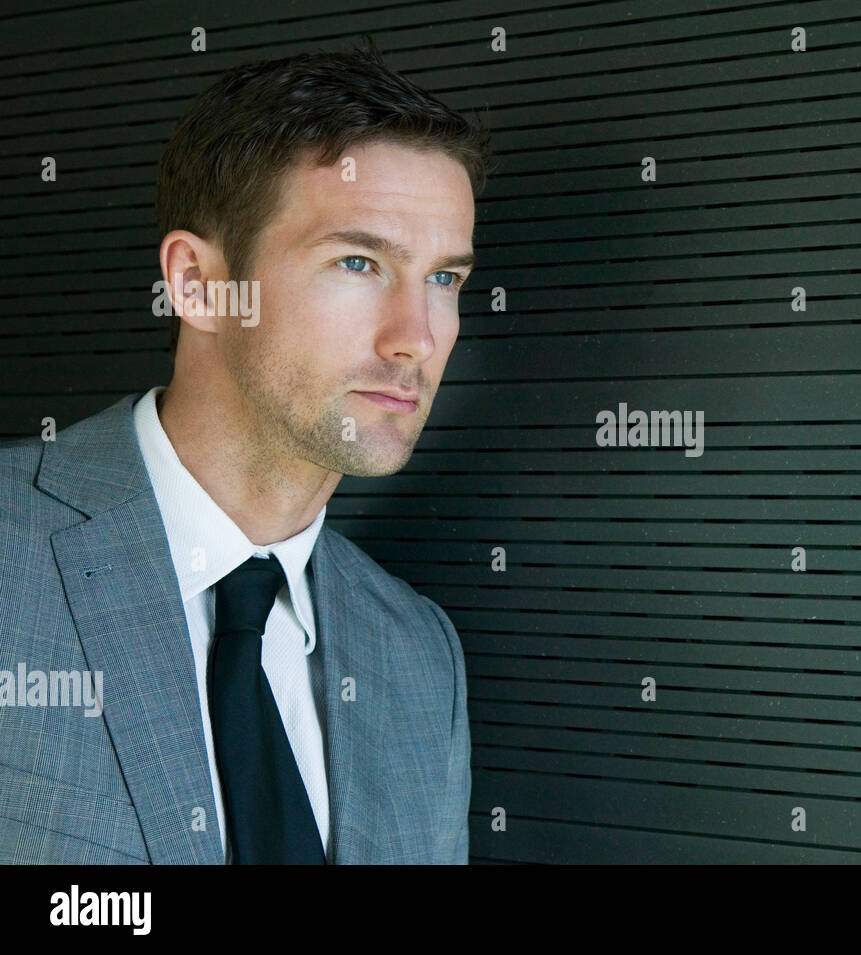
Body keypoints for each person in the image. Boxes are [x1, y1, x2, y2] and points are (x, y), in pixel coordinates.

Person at [0, 40, 492, 864]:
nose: (417, 338)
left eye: (445, 279)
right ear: (195, 283)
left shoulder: (418, 655)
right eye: (359, 261)